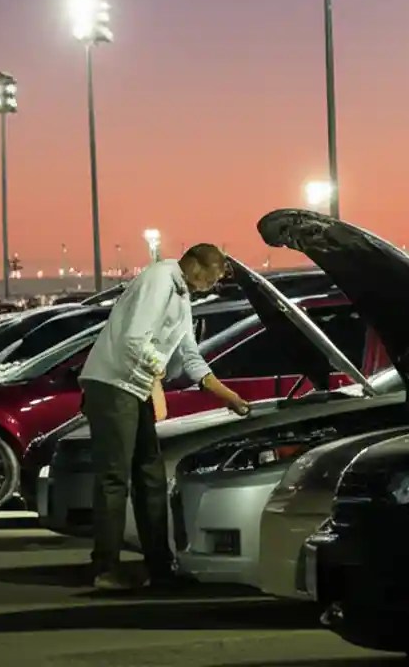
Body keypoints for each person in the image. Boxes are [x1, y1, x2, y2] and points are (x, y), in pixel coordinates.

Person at [78, 243, 251, 591]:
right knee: (115, 478)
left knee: (151, 477)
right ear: (197, 265)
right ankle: (105, 568)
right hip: (113, 384)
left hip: (134, 387)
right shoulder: (160, 279)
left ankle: (159, 565)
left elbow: (189, 355)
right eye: (213, 277)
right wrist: (157, 375)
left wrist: (229, 397)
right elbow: (132, 340)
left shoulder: (182, 294)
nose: (212, 286)